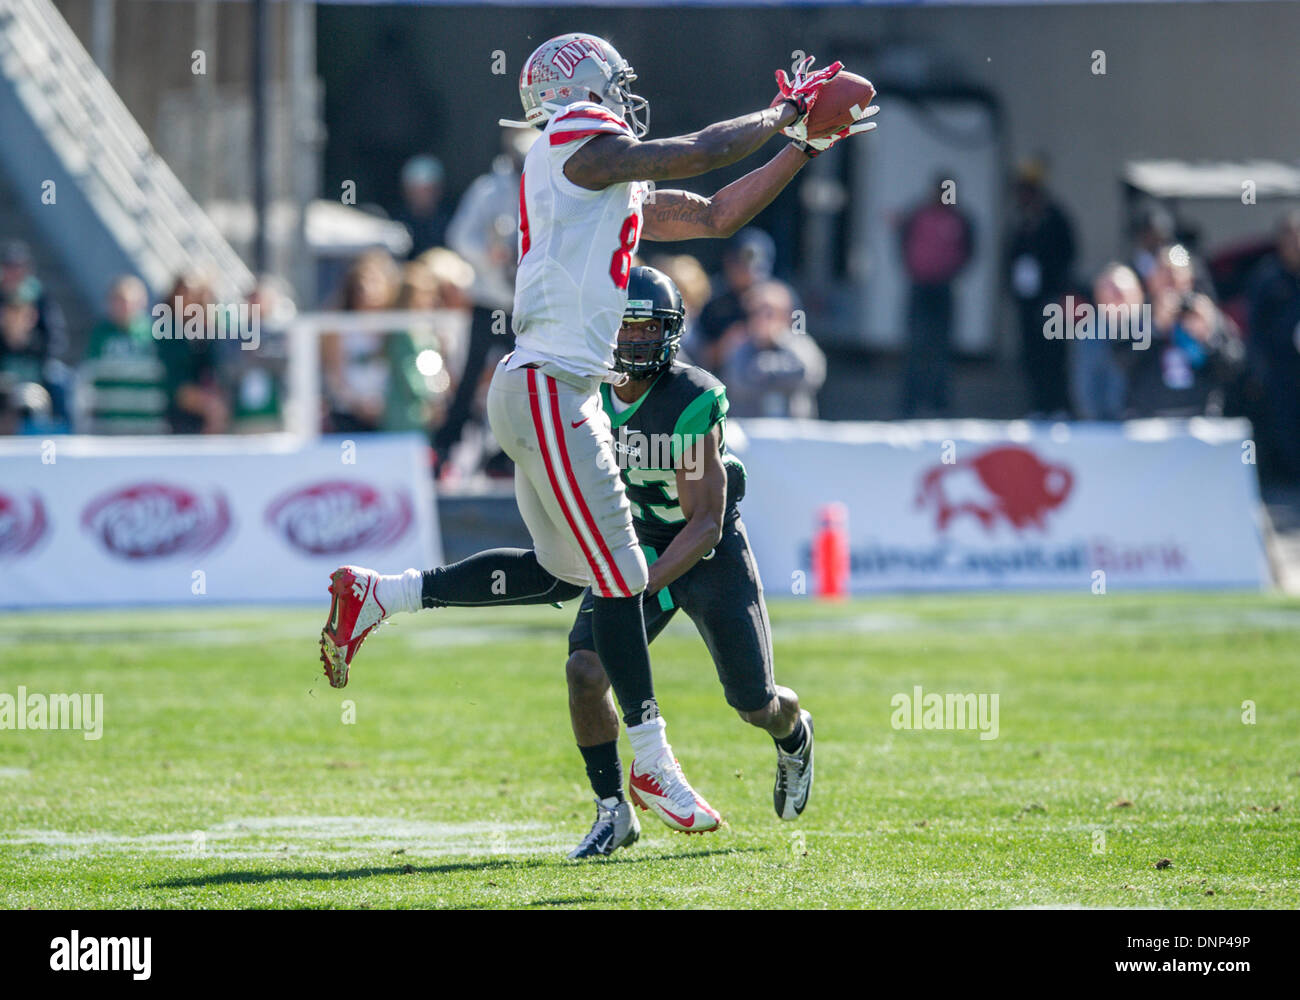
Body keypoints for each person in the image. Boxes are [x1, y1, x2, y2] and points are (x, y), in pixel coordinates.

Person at [317, 34, 876, 838]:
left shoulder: (592, 180)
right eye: (612, 85)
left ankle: (380, 594)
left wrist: (798, 146)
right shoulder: (570, 137)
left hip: (539, 387)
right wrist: (781, 110)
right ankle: (651, 761)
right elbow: (689, 152)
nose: (620, 98)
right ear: (579, 90)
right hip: (555, 384)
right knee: (619, 576)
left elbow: (718, 214)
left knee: (560, 572)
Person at [565, 266, 813, 858]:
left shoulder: (692, 395)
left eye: (649, 328)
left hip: (708, 552)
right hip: (637, 540)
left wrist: (639, 586)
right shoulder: (584, 387)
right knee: (584, 671)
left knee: (755, 705)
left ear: (671, 334)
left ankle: (795, 733)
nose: (633, 341)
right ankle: (611, 811)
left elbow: (702, 523)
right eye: (624, 328)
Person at [1125, 244, 1243, 417]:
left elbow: (1235, 367)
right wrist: (1156, 327)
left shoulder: (1207, 313)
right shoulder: (1136, 318)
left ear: (1190, 280)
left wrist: (1208, 337)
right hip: (1149, 422)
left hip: (1201, 421)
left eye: (1176, 276)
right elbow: (1123, 363)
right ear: (1151, 280)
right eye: (1164, 275)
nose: (1170, 282)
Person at [1005, 158, 1077, 416]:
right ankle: (1038, 404)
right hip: (1028, 300)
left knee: (1053, 353)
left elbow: (1067, 254)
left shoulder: (1055, 218)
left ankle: (1057, 405)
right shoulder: (1021, 222)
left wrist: (1056, 288)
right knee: (1031, 353)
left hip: (1051, 298)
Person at [898, 175, 974, 416]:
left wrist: (952, 272)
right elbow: (903, 242)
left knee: (941, 347)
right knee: (915, 345)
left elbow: (970, 250)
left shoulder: (960, 219)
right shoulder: (918, 215)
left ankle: (938, 402)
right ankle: (910, 403)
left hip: (944, 288)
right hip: (920, 287)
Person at [1245, 211, 1300, 480]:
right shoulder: (1268, 278)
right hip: (1282, 373)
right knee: (1285, 430)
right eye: (1291, 236)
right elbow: (1255, 328)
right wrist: (1259, 373)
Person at [722, 280, 826, 418]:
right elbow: (738, 383)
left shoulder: (800, 343)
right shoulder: (740, 345)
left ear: (785, 315)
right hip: (751, 433)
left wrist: (776, 342)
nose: (762, 318)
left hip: (796, 433)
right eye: (756, 312)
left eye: (770, 313)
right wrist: (778, 377)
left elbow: (807, 373)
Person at [80, 275, 168, 434]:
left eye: (129, 301)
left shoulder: (153, 333)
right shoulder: (101, 333)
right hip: (109, 420)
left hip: (145, 420)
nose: (125, 307)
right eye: (119, 301)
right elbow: (91, 372)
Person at [696, 228, 776, 373]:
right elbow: (700, 353)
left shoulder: (781, 298)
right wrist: (727, 342)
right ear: (729, 263)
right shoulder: (715, 300)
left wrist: (777, 334)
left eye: (753, 264)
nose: (747, 270)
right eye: (740, 264)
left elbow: (801, 335)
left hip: (775, 379)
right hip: (728, 381)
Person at [1070, 263, 1137, 421]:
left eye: (1121, 291)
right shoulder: (1090, 334)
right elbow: (1085, 385)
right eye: (1110, 290)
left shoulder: (1154, 326)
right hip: (1108, 425)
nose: (1117, 295)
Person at [397, 155, 451, 258]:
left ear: (439, 190)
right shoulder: (396, 222)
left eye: (428, 190)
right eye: (416, 190)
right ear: (405, 191)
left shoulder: (452, 221)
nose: (423, 196)